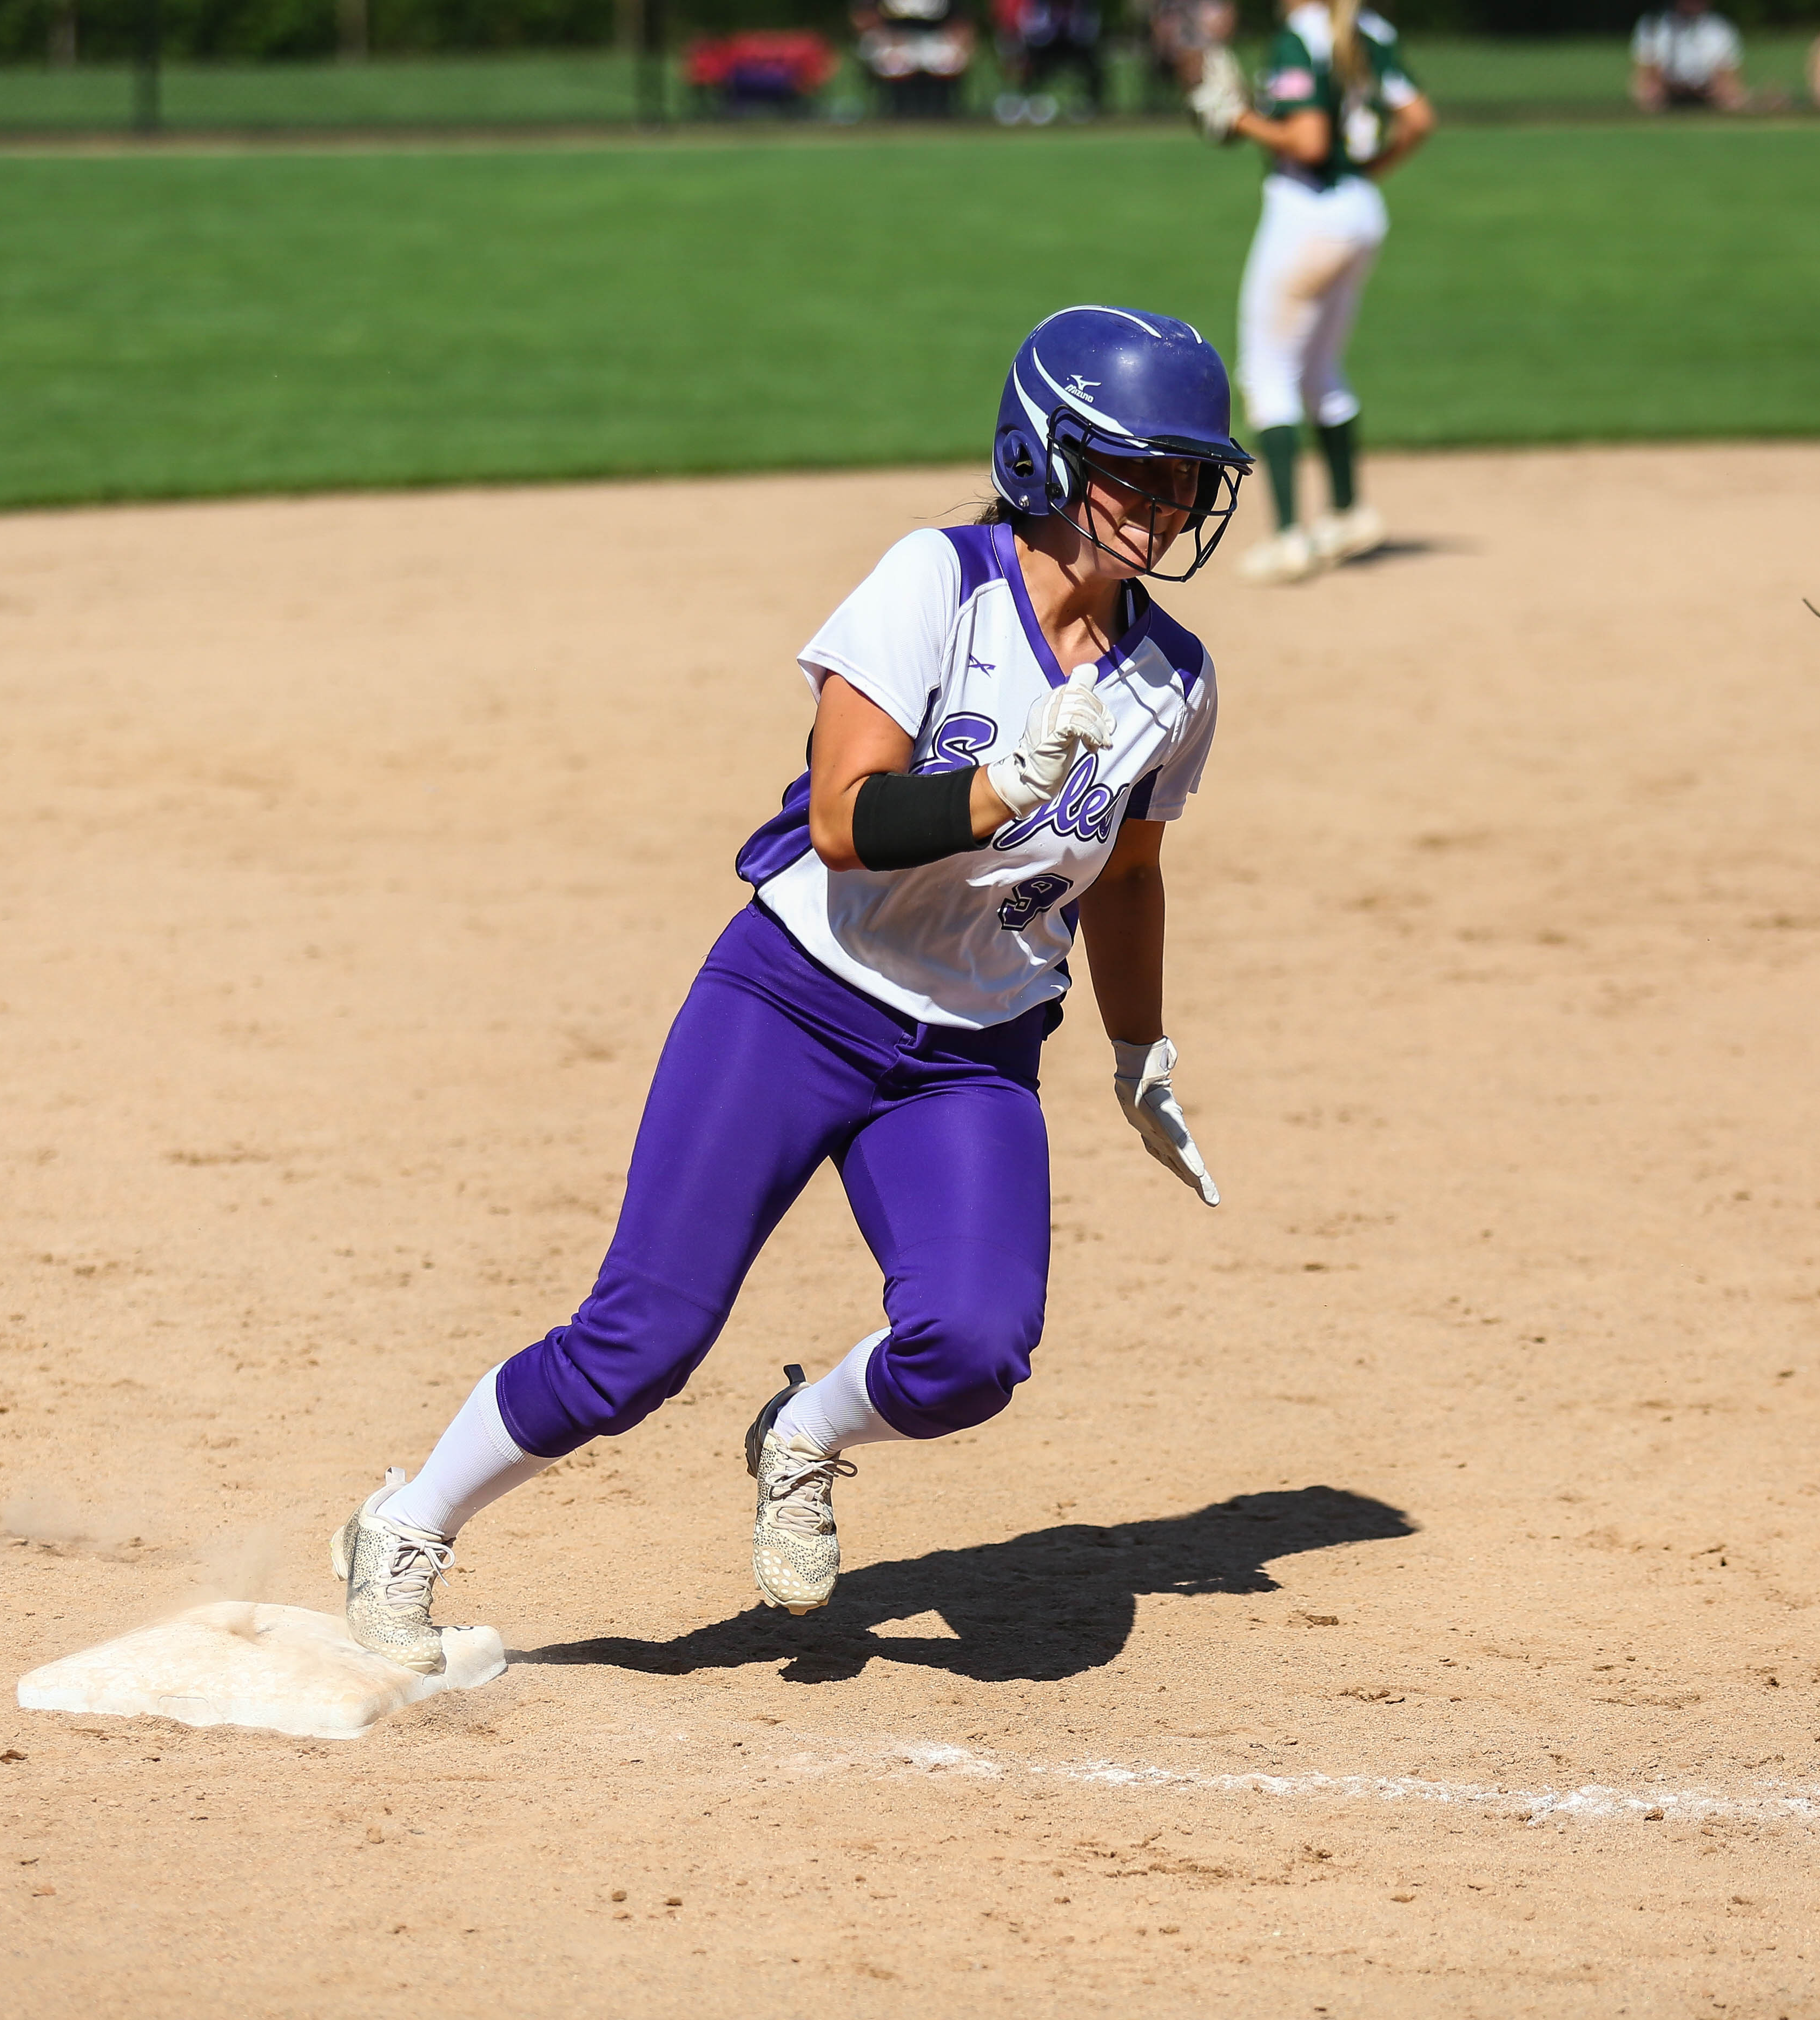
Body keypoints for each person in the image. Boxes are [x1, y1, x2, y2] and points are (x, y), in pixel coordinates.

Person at [332, 307, 1251, 1670]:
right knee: (640, 1342)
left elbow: (1124, 875)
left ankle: (803, 1434)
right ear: (1045, 457)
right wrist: (999, 784)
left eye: (1188, 479)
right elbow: (841, 818)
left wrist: (1139, 1052)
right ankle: (404, 1525)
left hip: (972, 1049)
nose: (1168, 506)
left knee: (973, 1349)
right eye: (1140, 471)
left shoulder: (1170, 680)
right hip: (796, 1000)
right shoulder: (934, 584)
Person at [1203, 0, 1434, 584]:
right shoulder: (1370, 28)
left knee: (1267, 373)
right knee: (1320, 367)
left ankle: (1289, 539)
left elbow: (1308, 143)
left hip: (1307, 215)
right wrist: (1365, 171)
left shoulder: (1300, 36)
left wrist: (1239, 120)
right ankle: (1349, 514)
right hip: (1358, 211)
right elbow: (1417, 119)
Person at [1631, 0, 1745, 112]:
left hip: (1708, 91)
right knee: (1650, 94)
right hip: (1666, 90)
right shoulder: (1653, 25)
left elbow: (1727, 75)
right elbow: (1646, 72)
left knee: (1733, 99)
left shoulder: (1721, 28)